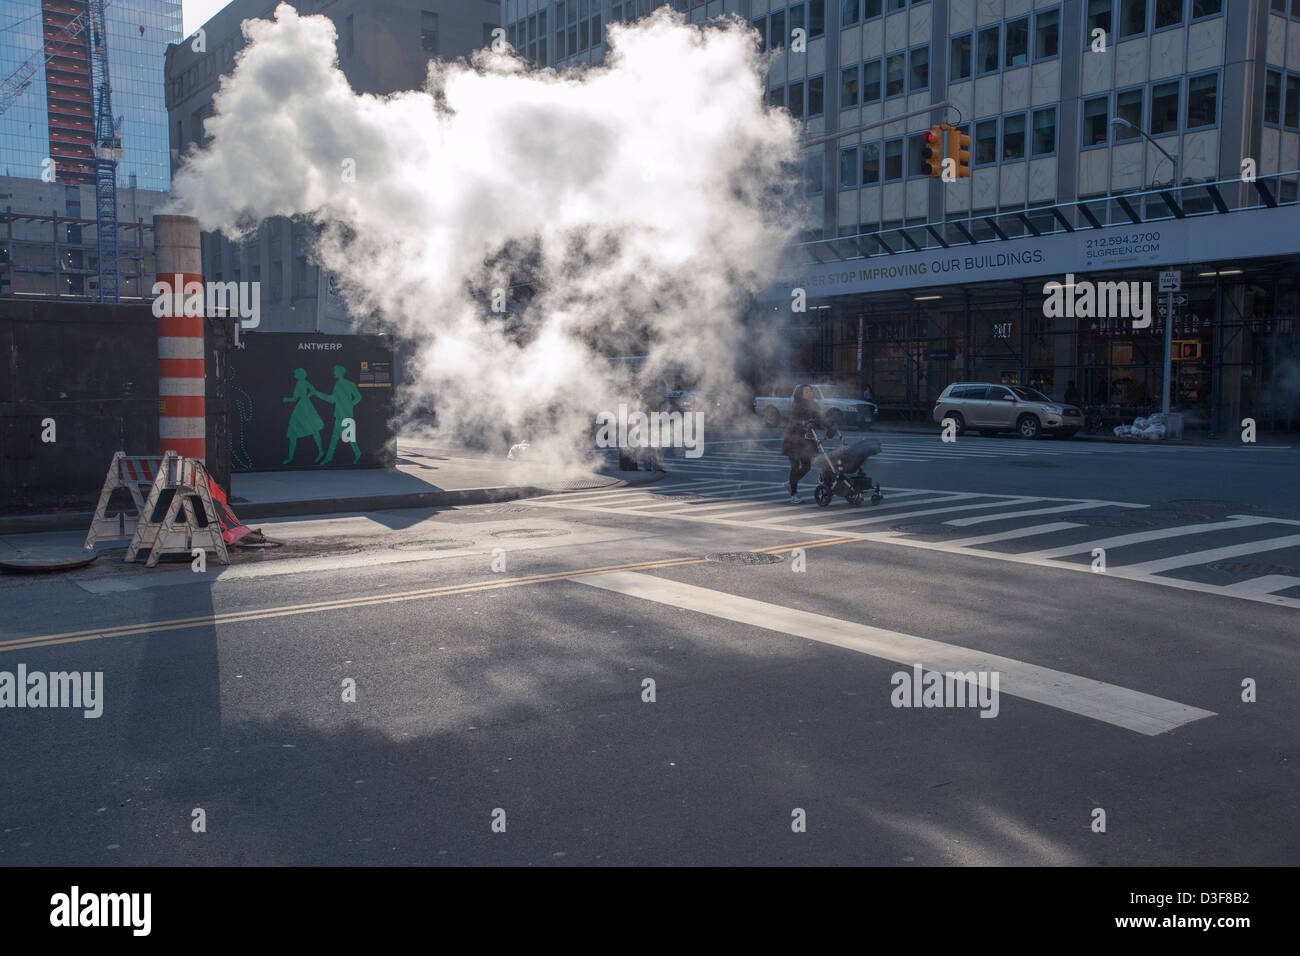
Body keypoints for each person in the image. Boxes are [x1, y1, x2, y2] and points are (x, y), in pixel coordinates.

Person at [781, 384, 834, 504]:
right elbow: (794, 422)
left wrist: (829, 425)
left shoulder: (814, 405)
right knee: (795, 466)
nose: (810, 393)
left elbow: (820, 419)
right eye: (807, 391)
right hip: (793, 440)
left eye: (811, 391)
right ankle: (794, 494)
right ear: (801, 394)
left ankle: (790, 483)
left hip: (806, 440)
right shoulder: (797, 406)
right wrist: (804, 423)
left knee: (807, 466)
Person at [315, 364, 363, 464]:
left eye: (335, 371)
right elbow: (334, 399)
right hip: (341, 414)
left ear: (340, 373)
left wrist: (349, 405)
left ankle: (330, 457)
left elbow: (358, 397)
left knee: (342, 437)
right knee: (343, 437)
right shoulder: (340, 384)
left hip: (344, 415)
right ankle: (356, 453)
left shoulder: (347, 384)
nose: (334, 373)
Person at [282, 368, 324, 465]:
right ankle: (290, 457)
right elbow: (294, 399)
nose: (295, 376)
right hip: (300, 407)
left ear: (301, 375)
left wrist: (307, 396)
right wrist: (286, 400)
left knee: (314, 430)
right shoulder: (298, 384)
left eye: (296, 374)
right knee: (294, 432)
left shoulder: (304, 383)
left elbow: (314, 391)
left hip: (306, 407)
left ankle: (321, 451)